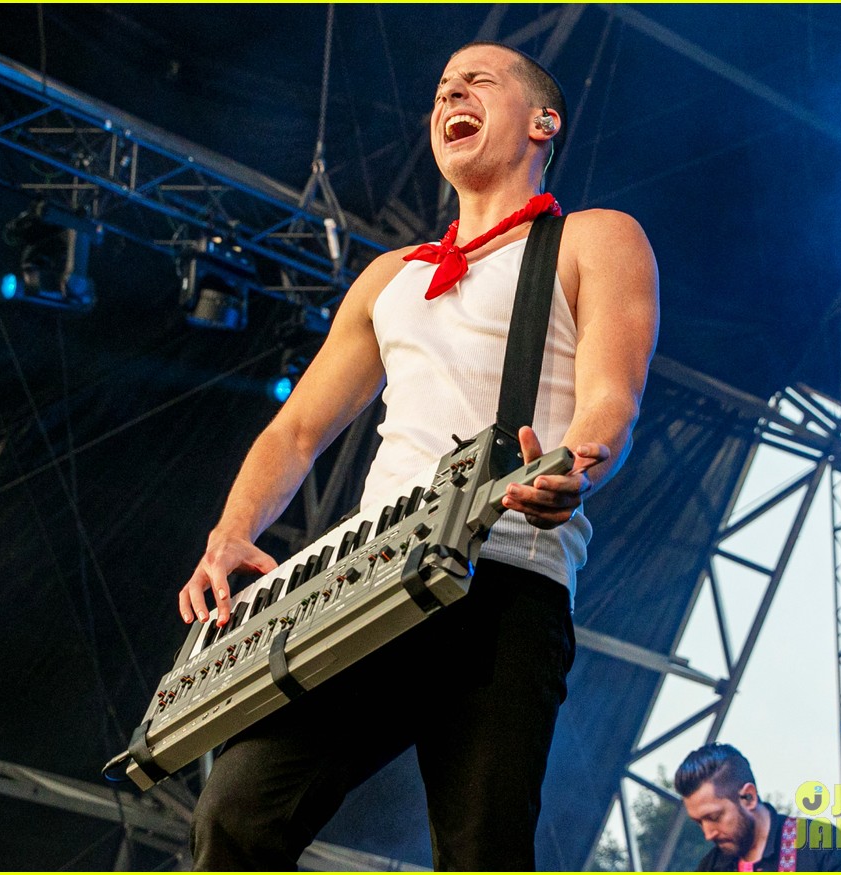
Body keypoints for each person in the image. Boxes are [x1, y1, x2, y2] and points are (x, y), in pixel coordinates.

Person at [177, 40, 659, 870]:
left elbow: (612, 393)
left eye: (478, 83)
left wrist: (580, 463)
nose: (449, 98)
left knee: (482, 854)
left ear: (544, 121)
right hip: (369, 580)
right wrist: (231, 530)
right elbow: (296, 431)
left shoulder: (596, 238)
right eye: (440, 90)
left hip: (510, 580)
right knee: (238, 809)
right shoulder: (391, 276)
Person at [676, 743, 841, 871]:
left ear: (749, 797)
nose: (708, 834)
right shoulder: (710, 867)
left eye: (714, 817)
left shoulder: (820, 846)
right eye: (699, 823)